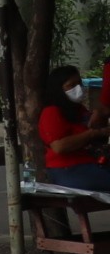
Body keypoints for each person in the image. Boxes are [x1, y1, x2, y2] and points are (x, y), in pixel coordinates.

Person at [33, 65, 110, 194]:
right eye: (71, 85)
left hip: (89, 164)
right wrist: (91, 134)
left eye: (79, 83)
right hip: (68, 170)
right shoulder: (51, 112)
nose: (78, 88)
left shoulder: (78, 110)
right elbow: (59, 147)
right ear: (59, 89)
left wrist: (100, 119)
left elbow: (97, 137)